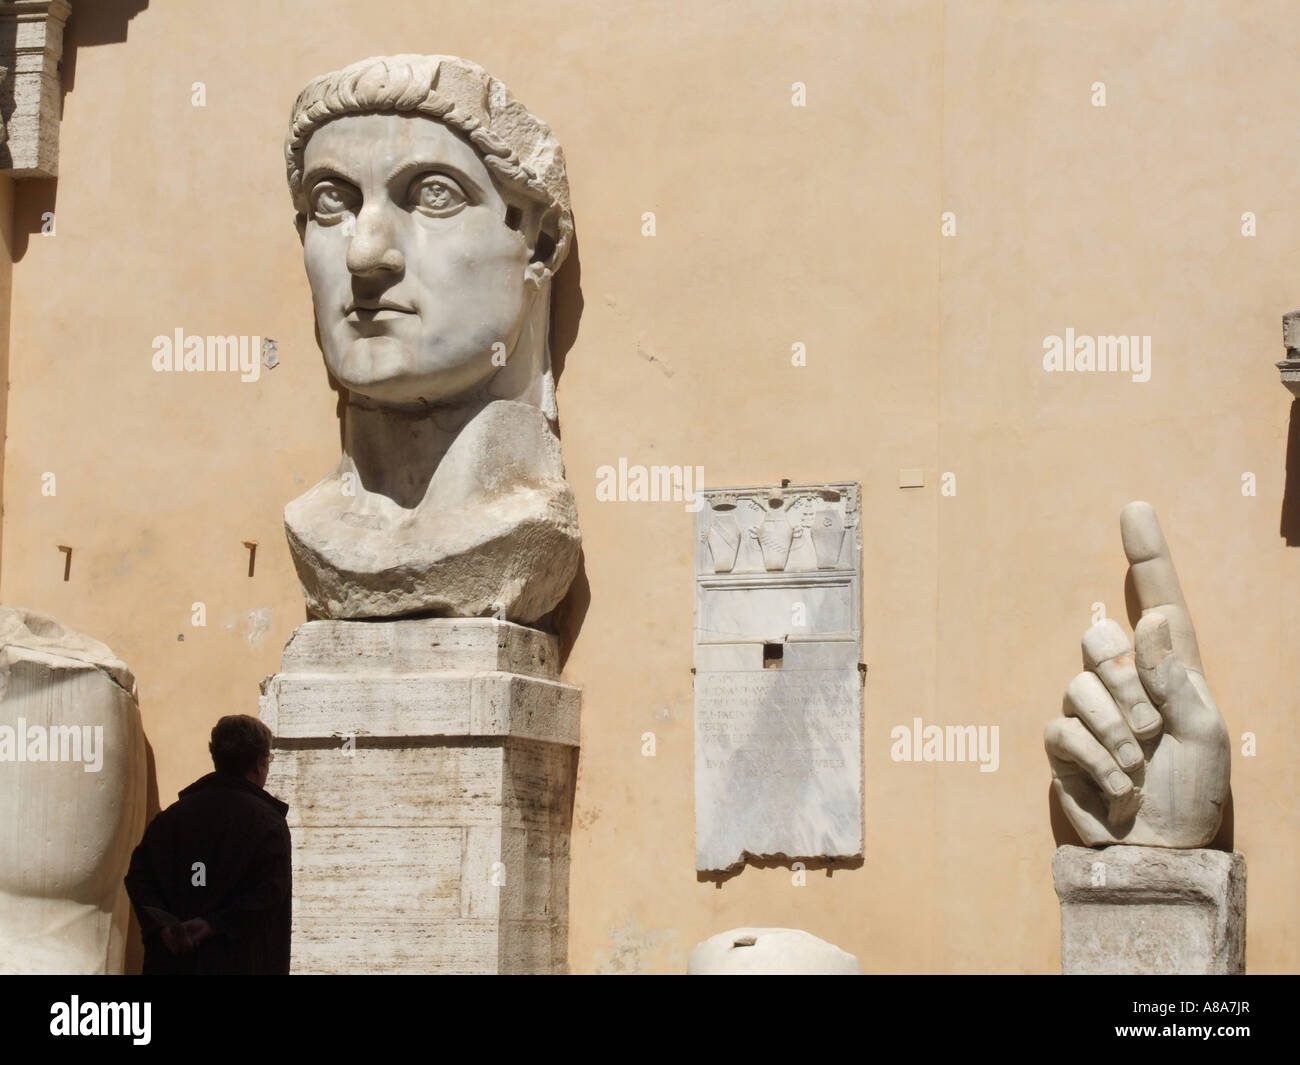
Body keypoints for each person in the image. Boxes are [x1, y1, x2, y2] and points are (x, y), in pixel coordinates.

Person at [124, 715, 291, 974]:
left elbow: (138, 877)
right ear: (259, 764)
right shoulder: (268, 824)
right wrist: (215, 925)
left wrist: (163, 927)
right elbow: (268, 895)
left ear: (216, 757)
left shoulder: (170, 818)